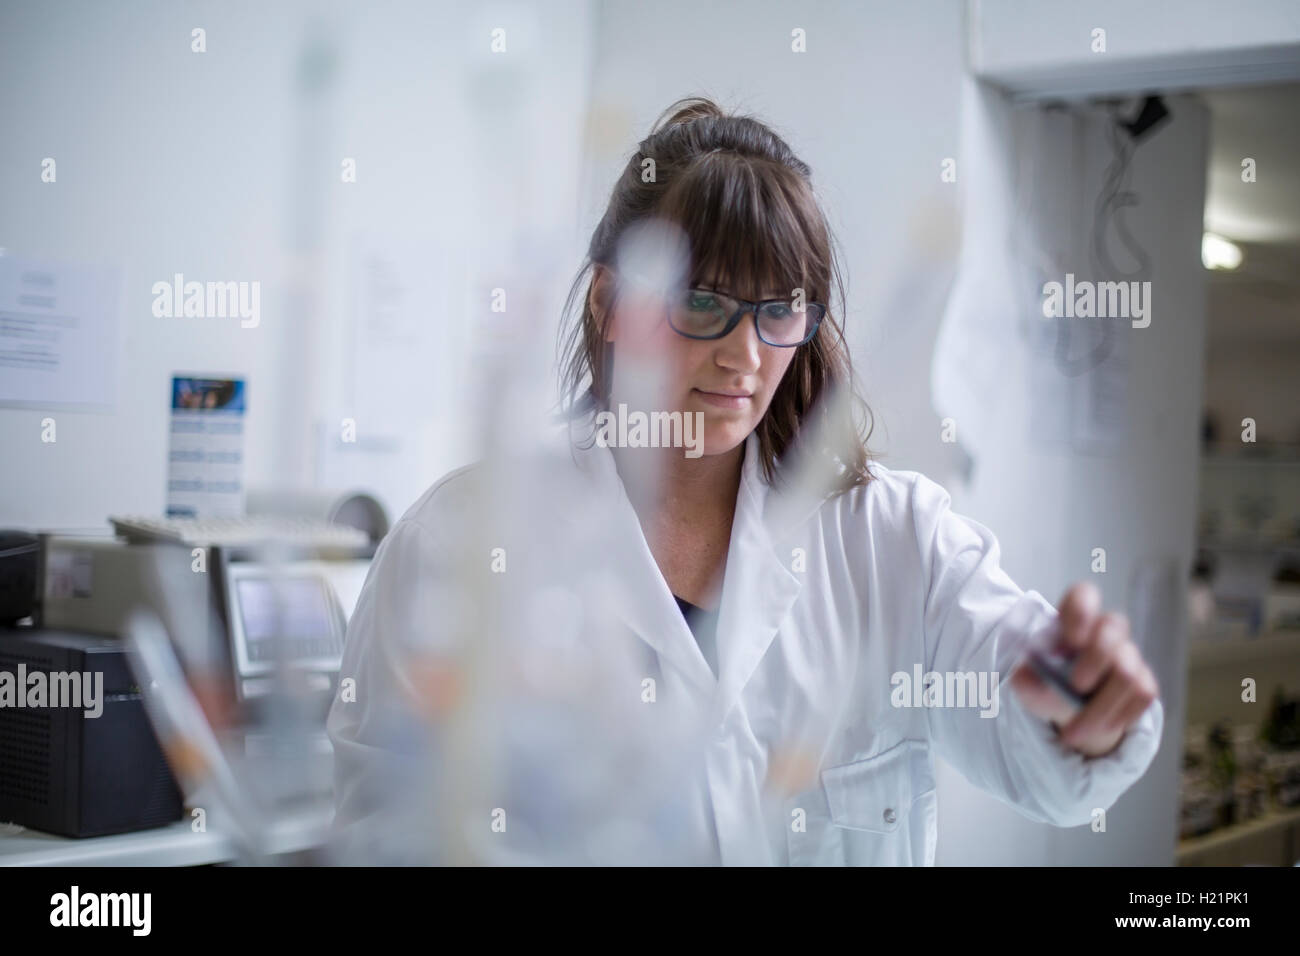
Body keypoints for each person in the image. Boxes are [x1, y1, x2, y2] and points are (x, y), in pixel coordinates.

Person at [326, 96, 1163, 866]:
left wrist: (1080, 706)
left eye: (779, 309)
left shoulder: (893, 539)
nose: (745, 354)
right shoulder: (462, 542)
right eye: (703, 303)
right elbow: (384, 831)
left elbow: (1027, 729)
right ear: (610, 304)